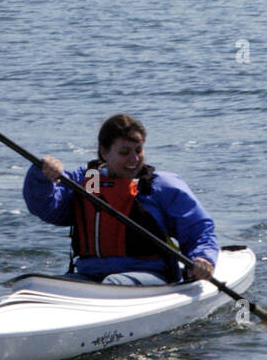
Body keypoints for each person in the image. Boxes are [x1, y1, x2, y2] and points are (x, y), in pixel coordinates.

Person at [23, 113, 218, 285]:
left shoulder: (160, 186)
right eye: (124, 152)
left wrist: (203, 258)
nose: (134, 159)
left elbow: (199, 230)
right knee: (35, 283)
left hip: (152, 275)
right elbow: (46, 208)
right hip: (91, 276)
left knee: (112, 283)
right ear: (104, 152)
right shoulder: (91, 181)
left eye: (138, 150)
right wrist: (42, 175)